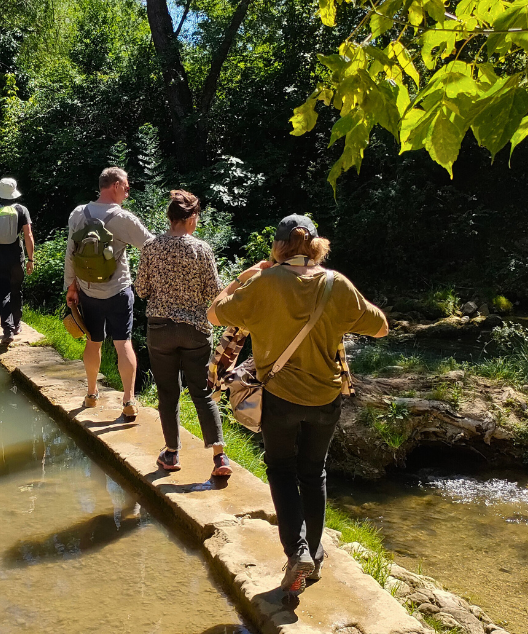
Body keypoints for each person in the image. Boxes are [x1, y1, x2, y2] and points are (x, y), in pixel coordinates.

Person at [206, 214, 388, 595]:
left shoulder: (265, 282)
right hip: (326, 398)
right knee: (313, 472)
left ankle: (298, 551)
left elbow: (214, 311)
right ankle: (314, 556)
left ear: (278, 247)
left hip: (280, 397)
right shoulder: (336, 283)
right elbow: (381, 327)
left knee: (282, 470)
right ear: (316, 245)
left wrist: (246, 274)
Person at [135, 190, 231, 478]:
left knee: (168, 392)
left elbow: (141, 290)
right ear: (190, 218)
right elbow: (214, 293)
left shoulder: (151, 247)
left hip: (160, 329)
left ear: (170, 218)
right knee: (202, 392)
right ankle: (220, 456)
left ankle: (172, 454)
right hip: (195, 331)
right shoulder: (202, 250)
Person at [64, 167, 153, 419]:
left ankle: (92, 394)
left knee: (93, 341)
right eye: (126, 185)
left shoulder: (78, 213)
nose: (127, 190)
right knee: (123, 343)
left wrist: (71, 286)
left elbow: (70, 252)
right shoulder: (123, 218)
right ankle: (128, 401)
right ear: (114, 185)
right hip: (118, 291)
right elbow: (152, 246)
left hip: (88, 291)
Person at [0, 177, 35, 344]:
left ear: (0, 192)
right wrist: (30, 259)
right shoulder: (22, 210)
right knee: (16, 291)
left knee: (2, 293)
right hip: (16, 258)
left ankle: (7, 330)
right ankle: (17, 324)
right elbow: (28, 235)